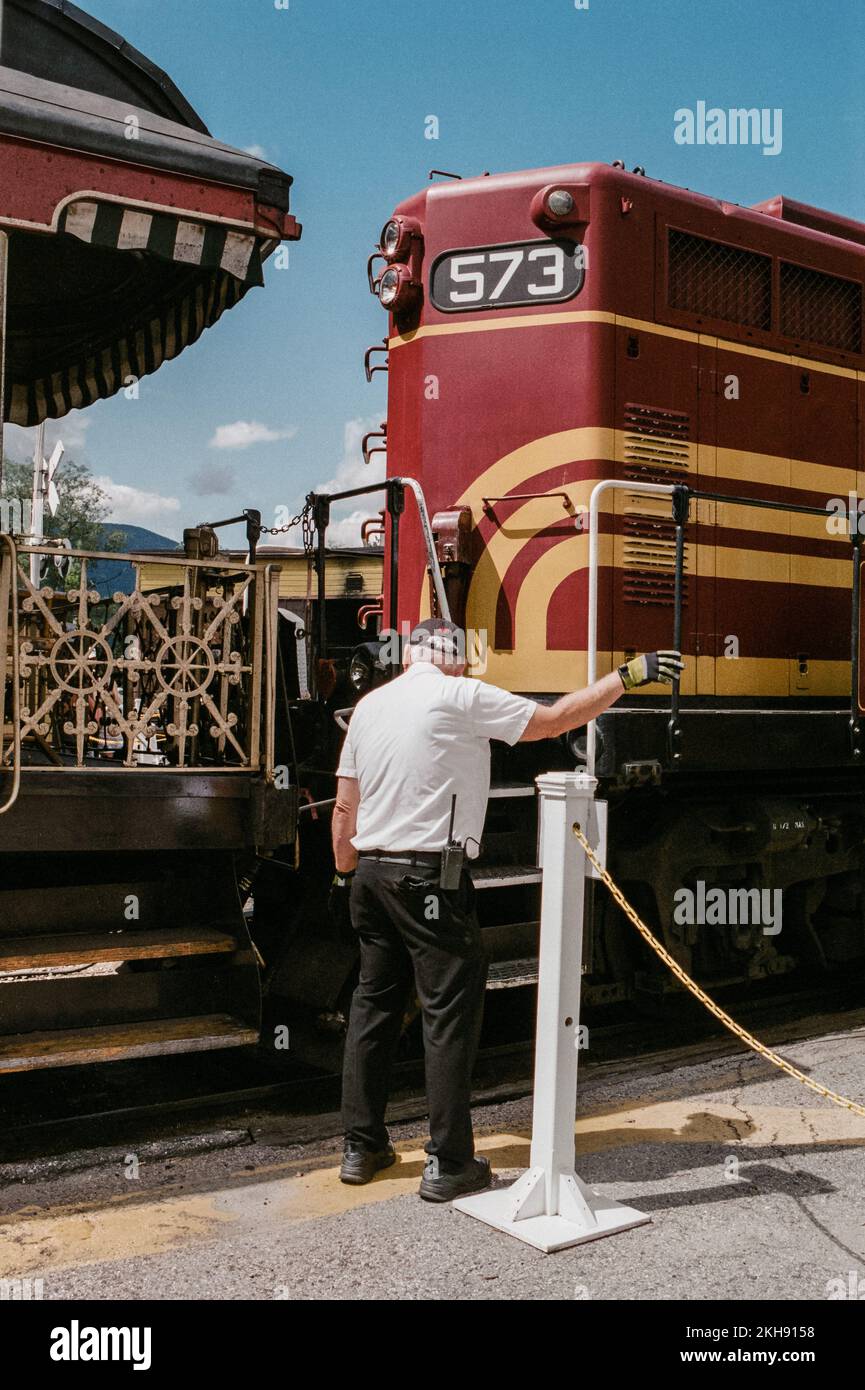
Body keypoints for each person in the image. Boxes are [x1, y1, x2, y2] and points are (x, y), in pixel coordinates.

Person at [330, 619, 683, 1202]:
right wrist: (624, 678)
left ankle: (360, 1147)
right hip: (429, 883)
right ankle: (448, 1163)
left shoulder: (370, 706)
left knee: (372, 1008)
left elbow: (346, 806)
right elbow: (553, 721)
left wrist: (347, 870)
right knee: (447, 1016)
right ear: (452, 659)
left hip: (371, 877)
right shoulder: (461, 695)